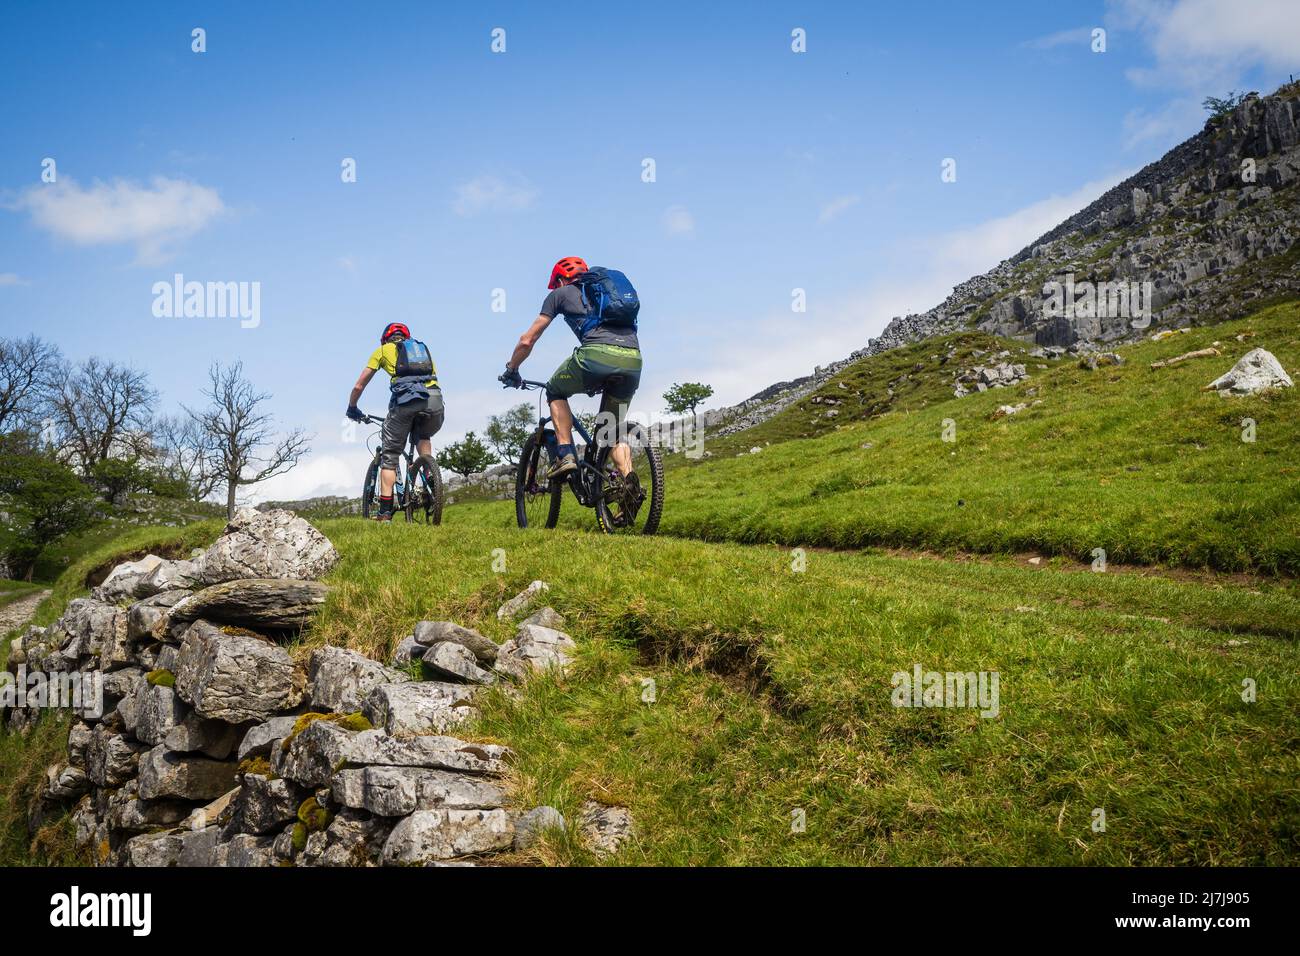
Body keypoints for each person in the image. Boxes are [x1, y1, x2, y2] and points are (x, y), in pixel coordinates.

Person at [500, 257, 644, 498]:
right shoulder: (605, 294)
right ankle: (629, 486)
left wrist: (512, 369)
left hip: (595, 357)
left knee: (555, 390)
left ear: (560, 279)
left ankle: (565, 454)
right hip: (633, 361)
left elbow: (527, 340)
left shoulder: (560, 294)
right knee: (608, 432)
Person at [346, 322, 444, 521]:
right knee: (423, 435)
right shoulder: (421, 350)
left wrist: (352, 407)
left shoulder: (383, 351)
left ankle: (384, 513)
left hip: (406, 403)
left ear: (385, 339)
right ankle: (430, 477)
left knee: (390, 456)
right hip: (435, 402)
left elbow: (358, 386)